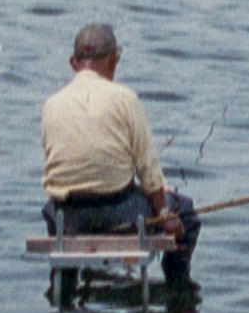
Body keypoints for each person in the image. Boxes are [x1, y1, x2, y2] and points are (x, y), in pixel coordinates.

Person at [41, 22, 198, 292]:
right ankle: (178, 295)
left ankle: (64, 290)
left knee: (50, 210)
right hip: (120, 214)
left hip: (69, 217)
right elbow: (149, 173)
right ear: (114, 61)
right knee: (186, 213)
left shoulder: (52, 104)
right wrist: (164, 212)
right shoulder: (125, 99)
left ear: (73, 63)